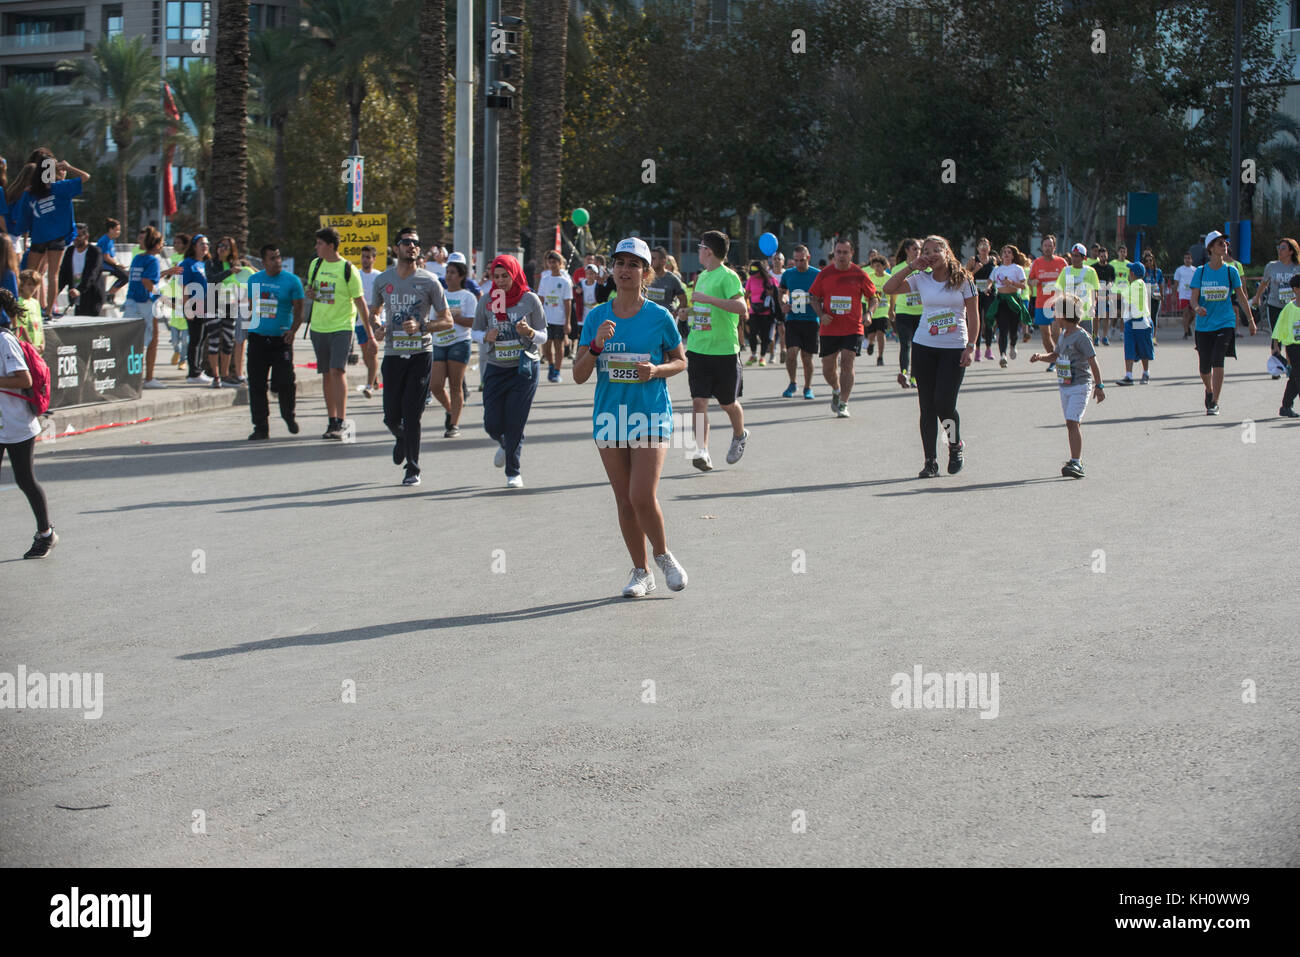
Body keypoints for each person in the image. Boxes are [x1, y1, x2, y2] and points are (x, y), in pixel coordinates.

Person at [573, 236, 689, 597]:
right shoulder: (597, 317)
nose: (625, 270)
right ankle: (641, 572)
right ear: (612, 269)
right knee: (623, 499)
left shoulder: (659, 316)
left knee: (641, 494)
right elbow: (579, 374)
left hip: (650, 413)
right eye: (620, 263)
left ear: (646, 273)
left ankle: (663, 555)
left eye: (633, 265)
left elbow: (681, 361)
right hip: (610, 416)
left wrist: (655, 370)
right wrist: (596, 346)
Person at [882, 234, 978, 478]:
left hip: (954, 347)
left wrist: (971, 346)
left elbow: (974, 316)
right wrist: (911, 267)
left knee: (944, 403)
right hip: (924, 346)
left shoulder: (964, 280)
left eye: (937, 249)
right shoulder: (920, 279)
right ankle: (930, 462)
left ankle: (955, 445)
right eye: (927, 250)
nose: (932, 254)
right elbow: (888, 288)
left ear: (947, 252)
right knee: (926, 406)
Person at [370, 226, 452, 485]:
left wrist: (422, 326)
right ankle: (401, 437)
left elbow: (447, 320)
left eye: (415, 243)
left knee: (412, 413)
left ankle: (413, 468)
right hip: (393, 354)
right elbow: (374, 312)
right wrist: (377, 326)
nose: (411, 246)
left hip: (420, 353)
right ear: (397, 248)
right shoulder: (383, 280)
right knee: (391, 416)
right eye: (406, 242)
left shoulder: (429, 281)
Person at [471, 254, 546, 488]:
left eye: (506, 276)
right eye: (497, 276)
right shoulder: (487, 301)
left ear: (515, 274)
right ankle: (505, 443)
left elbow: (544, 334)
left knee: (515, 421)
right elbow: (474, 332)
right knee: (491, 424)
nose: (501, 281)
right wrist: (485, 336)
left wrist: (530, 332)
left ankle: (513, 471)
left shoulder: (529, 299)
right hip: (495, 368)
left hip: (524, 369)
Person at [684, 230, 749, 469]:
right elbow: (704, 310)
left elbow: (741, 308)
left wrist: (708, 300)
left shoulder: (728, 276)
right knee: (699, 401)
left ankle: (740, 435)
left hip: (724, 351)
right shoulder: (702, 276)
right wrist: (688, 313)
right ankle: (701, 451)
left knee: (727, 403)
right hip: (699, 348)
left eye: (700, 247)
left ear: (708, 251)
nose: (698, 250)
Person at [0, 288, 56, 558]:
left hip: (17, 423)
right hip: (2, 421)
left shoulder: (4, 340)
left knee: (25, 479)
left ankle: (46, 534)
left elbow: (25, 380)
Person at [1030, 293, 1106, 478]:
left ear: (1065, 314)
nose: (1054, 316)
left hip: (1081, 385)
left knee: (1073, 422)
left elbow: (1092, 361)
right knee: (1070, 423)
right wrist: (1041, 357)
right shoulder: (1064, 335)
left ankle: (1076, 462)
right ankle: (1075, 460)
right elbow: (1055, 355)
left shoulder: (1081, 336)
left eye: (1056, 312)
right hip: (1065, 386)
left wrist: (1100, 386)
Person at [8, 149, 90, 317]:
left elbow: (24, 218)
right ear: (52, 170)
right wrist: (69, 167)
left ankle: (27, 307)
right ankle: (48, 311)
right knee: (53, 275)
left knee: (30, 273)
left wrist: (18, 232)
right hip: (58, 238)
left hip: (39, 237)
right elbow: (85, 177)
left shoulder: (30, 192)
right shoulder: (60, 187)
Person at [305, 226, 369, 439]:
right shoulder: (316, 264)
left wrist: (369, 333)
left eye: (320, 244)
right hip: (318, 327)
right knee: (325, 373)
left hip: (342, 326)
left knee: (337, 371)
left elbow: (360, 302)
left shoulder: (348, 269)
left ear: (331, 246)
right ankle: (331, 420)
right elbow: (312, 291)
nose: (316, 247)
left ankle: (341, 420)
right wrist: (311, 293)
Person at [808, 237, 877, 418]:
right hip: (829, 328)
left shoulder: (859, 274)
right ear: (834, 254)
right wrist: (821, 315)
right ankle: (836, 389)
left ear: (851, 254)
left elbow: (873, 297)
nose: (841, 256)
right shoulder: (825, 274)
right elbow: (813, 297)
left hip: (852, 327)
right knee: (827, 369)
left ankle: (844, 403)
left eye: (845, 252)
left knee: (847, 362)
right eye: (838, 252)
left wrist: (869, 312)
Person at [1189, 230, 1256, 416]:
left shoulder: (1231, 271)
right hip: (1204, 325)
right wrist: (1196, 309)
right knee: (1204, 367)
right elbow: (1193, 299)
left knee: (1218, 360)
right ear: (1210, 248)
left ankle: (1214, 402)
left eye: (1225, 243)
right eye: (1219, 243)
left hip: (1225, 322)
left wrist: (1250, 320)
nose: (1224, 245)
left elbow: (1241, 297)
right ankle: (1208, 390)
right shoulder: (1201, 272)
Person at [245, 243, 305, 439]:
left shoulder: (292, 281)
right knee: (257, 384)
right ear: (263, 262)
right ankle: (260, 427)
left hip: (282, 340)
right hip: (258, 339)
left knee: (286, 381)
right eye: (272, 258)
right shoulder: (254, 280)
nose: (277, 262)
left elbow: (299, 312)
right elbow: (252, 307)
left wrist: (293, 331)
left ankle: (289, 415)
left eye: (279, 257)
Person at [434, 256, 478, 437]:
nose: (449, 276)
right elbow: (433, 318)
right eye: (447, 272)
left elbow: (473, 321)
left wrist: (455, 318)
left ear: (461, 276)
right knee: (435, 385)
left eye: (452, 273)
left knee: (455, 385)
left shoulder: (467, 296)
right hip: (439, 341)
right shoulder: (439, 294)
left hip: (459, 342)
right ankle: (451, 409)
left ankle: (453, 425)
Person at [124, 227, 167, 388]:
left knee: (132, 342)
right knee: (152, 340)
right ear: (156, 244)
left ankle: (129, 376)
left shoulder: (137, 258)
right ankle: (149, 378)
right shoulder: (153, 260)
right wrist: (162, 297)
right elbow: (148, 282)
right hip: (146, 303)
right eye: (162, 243)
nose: (163, 246)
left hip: (131, 301)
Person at [778, 243, 820, 398]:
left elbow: (823, 296)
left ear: (808, 258)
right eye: (796, 260)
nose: (798, 264)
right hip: (793, 320)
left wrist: (816, 303)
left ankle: (808, 387)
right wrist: (783, 304)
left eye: (802, 260)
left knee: (807, 357)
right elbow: (782, 291)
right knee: (791, 353)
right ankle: (793, 383)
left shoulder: (817, 274)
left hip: (810, 320)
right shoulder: (788, 274)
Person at [1250, 237, 1300, 367]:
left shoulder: (1298, 267)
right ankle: (1277, 365)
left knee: (1290, 336)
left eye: (1283, 248)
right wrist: (1257, 297)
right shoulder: (1271, 266)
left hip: (1293, 308)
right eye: (1278, 248)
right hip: (1274, 305)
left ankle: (1290, 364)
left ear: (1291, 251)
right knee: (1276, 336)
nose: (1280, 251)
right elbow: (1264, 283)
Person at [888, 238, 923, 388]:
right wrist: (891, 309)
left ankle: (915, 377)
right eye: (915, 248)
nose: (918, 251)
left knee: (917, 346)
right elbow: (893, 291)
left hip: (922, 312)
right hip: (903, 311)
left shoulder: (926, 268)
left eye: (919, 249)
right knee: (905, 344)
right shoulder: (898, 269)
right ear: (907, 250)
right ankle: (904, 374)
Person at [986, 244, 1029, 367]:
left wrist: (1012, 283)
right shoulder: (997, 269)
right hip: (1001, 300)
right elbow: (990, 281)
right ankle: (1002, 355)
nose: (1006, 254)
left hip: (1014, 300)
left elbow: (1023, 285)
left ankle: (1013, 345)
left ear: (1013, 255)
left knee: (1013, 329)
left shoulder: (1017, 268)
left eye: (1009, 252)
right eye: (1004, 252)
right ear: (1001, 255)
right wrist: (988, 287)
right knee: (1002, 329)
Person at [1028, 234, 1067, 367]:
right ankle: (1053, 359)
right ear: (1042, 247)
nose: (1047, 248)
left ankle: (1063, 356)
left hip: (1058, 302)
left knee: (1056, 332)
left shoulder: (1062, 262)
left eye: (1050, 245)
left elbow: (1069, 280)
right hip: (1041, 303)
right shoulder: (1037, 263)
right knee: (1045, 334)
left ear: (1054, 247)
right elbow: (1029, 281)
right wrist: (1034, 282)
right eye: (1045, 245)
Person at [1114, 261, 1154, 385]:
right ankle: (1129, 376)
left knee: (1143, 346)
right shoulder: (1135, 284)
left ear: (1132, 273)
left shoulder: (1138, 284)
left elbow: (1121, 296)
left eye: (1130, 271)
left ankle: (1145, 372)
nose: (1128, 274)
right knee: (1129, 347)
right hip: (1131, 321)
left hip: (1141, 320)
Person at [537, 250, 573, 382]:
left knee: (558, 346)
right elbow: (540, 299)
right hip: (546, 318)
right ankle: (551, 366)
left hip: (559, 319)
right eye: (550, 262)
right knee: (546, 345)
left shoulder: (565, 281)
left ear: (560, 263)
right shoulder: (545, 279)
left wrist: (567, 322)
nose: (552, 264)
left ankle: (557, 371)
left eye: (554, 262)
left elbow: (567, 302)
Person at [1054, 243, 1099, 342]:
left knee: (1086, 343)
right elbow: (1059, 291)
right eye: (1073, 255)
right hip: (1069, 313)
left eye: (1077, 256)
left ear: (1084, 258)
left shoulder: (1090, 272)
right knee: (1069, 344)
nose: (1074, 258)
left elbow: (1094, 291)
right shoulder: (1066, 271)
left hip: (1085, 313)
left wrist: (1093, 307)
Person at [56, 225, 105, 317]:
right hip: (76, 296)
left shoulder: (95, 251)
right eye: (73, 236)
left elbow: (92, 274)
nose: (75, 239)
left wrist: (79, 289)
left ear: (86, 236)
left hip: (92, 296)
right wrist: (56, 290)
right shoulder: (70, 251)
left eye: (78, 236)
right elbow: (64, 273)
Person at [646, 245, 689, 348]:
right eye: (650, 258)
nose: (651, 261)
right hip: (647, 321)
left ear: (663, 261)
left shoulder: (672, 279)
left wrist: (675, 313)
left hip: (665, 322)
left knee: (667, 352)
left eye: (654, 258)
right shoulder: (645, 276)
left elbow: (683, 300)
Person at [1271, 273, 1300, 417]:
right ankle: (1286, 406)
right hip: (1294, 347)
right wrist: (1276, 344)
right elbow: (1279, 327)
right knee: (1298, 376)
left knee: (1295, 377)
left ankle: (1286, 406)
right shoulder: (1289, 308)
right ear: (1295, 289)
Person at [356, 244, 382, 398]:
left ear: (373, 259)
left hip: (374, 320)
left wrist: (376, 310)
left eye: (368, 257)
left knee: (372, 353)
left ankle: (369, 386)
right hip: (359, 321)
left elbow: (383, 299)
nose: (364, 260)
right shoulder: (356, 275)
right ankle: (374, 378)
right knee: (365, 355)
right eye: (363, 256)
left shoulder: (378, 276)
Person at [743, 260, 779, 367]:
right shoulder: (751, 280)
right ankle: (753, 354)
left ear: (761, 271)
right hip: (753, 310)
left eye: (756, 272)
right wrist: (745, 308)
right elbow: (745, 295)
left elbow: (778, 293)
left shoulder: (771, 280)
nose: (754, 275)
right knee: (752, 333)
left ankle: (762, 357)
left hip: (767, 311)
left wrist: (771, 293)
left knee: (765, 335)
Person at [967, 238, 996, 361]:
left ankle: (988, 349)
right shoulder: (973, 260)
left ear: (989, 248)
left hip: (989, 293)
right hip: (976, 294)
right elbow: (965, 276)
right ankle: (977, 350)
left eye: (986, 245)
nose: (984, 248)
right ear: (977, 248)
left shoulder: (993, 260)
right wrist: (975, 270)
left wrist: (991, 284)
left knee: (989, 320)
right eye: (981, 245)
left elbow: (995, 275)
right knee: (977, 321)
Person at [864, 255, 892, 366]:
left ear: (884, 266)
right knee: (871, 335)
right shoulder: (869, 277)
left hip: (884, 310)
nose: (877, 268)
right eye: (874, 266)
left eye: (879, 266)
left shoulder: (889, 278)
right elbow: (864, 294)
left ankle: (880, 356)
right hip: (871, 311)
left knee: (881, 333)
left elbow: (893, 294)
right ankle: (871, 343)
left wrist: (891, 309)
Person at [95, 218, 130, 301]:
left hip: (107, 263)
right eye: (117, 230)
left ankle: (110, 293)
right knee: (125, 277)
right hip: (102, 264)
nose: (119, 232)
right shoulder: (105, 240)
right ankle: (109, 294)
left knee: (126, 275)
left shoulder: (111, 240)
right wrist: (117, 264)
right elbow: (106, 257)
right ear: (110, 230)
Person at [11, 271, 43, 349]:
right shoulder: (19, 302)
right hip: (26, 347)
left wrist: (43, 343)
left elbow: (40, 325)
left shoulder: (35, 303)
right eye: (29, 284)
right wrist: (31, 344)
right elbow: (21, 326)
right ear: (21, 286)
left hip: (37, 346)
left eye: (35, 285)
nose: (32, 287)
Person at [1092, 246, 1116, 346]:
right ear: (1098, 256)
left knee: (1106, 316)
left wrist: (1109, 286)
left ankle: (1105, 337)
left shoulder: (1110, 268)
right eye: (1101, 256)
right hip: (1097, 293)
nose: (1103, 257)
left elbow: (1113, 280)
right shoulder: (1094, 267)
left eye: (1104, 256)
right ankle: (1095, 336)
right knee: (1096, 317)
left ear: (1107, 256)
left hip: (1106, 294)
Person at [1173, 252, 1197, 339]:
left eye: (1189, 258)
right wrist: (1174, 295)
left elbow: (1198, 283)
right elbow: (1176, 283)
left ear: (1191, 260)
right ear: (1184, 260)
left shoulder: (1195, 270)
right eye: (1186, 258)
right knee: (1186, 313)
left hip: (1192, 294)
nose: (1187, 260)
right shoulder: (1179, 270)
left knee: (1193, 314)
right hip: (1183, 294)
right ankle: (1186, 332)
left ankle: (1187, 325)